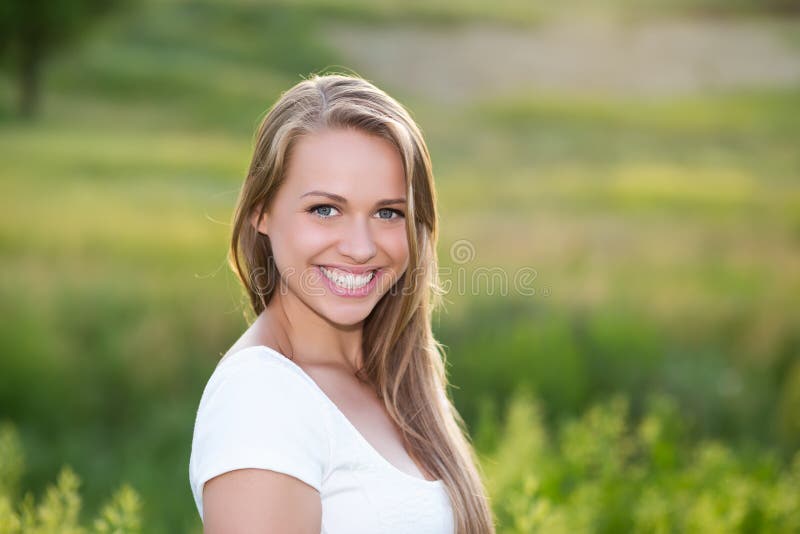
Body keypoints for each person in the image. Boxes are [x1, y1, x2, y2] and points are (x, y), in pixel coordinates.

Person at [189, 73, 495, 533]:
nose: (360, 247)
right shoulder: (260, 398)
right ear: (261, 211)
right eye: (325, 210)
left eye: (387, 212)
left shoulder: (393, 377)